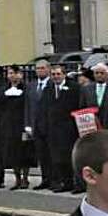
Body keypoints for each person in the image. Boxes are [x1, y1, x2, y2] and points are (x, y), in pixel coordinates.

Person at [40, 64, 81, 192]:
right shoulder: (48, 89)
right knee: (57, 158)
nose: (56, 77)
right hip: (54, 130)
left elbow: (79, 106)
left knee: (71, 157)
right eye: (53, 74)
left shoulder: (74, 88)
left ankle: (77, 184)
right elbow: (44, 109)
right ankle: (64, 183)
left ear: (64, 74)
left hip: (69, 129)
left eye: (58, 74)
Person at [0, 65, 33, 189]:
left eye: (14, 73)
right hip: (9, 125)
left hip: (23, 124)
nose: (12, 75)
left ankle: (25, 178)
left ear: (20, 74)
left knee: (25, 152)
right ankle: (17, 178)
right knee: (13, 153)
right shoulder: (4, 89)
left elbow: (30, 106)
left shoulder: (27, 88)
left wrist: (28, 125)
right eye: (10, 73)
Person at [24, 60, 52, 188]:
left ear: (48, 69)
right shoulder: (31, 86)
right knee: (42, 156)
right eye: (38, 68)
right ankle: (45, 179)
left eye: (42, 68)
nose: (40, 70)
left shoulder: (53, 84)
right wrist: (28, 124)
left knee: (52, 155)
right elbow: (28, 106)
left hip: (49, 125)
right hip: (36, 126)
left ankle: (55, 180)